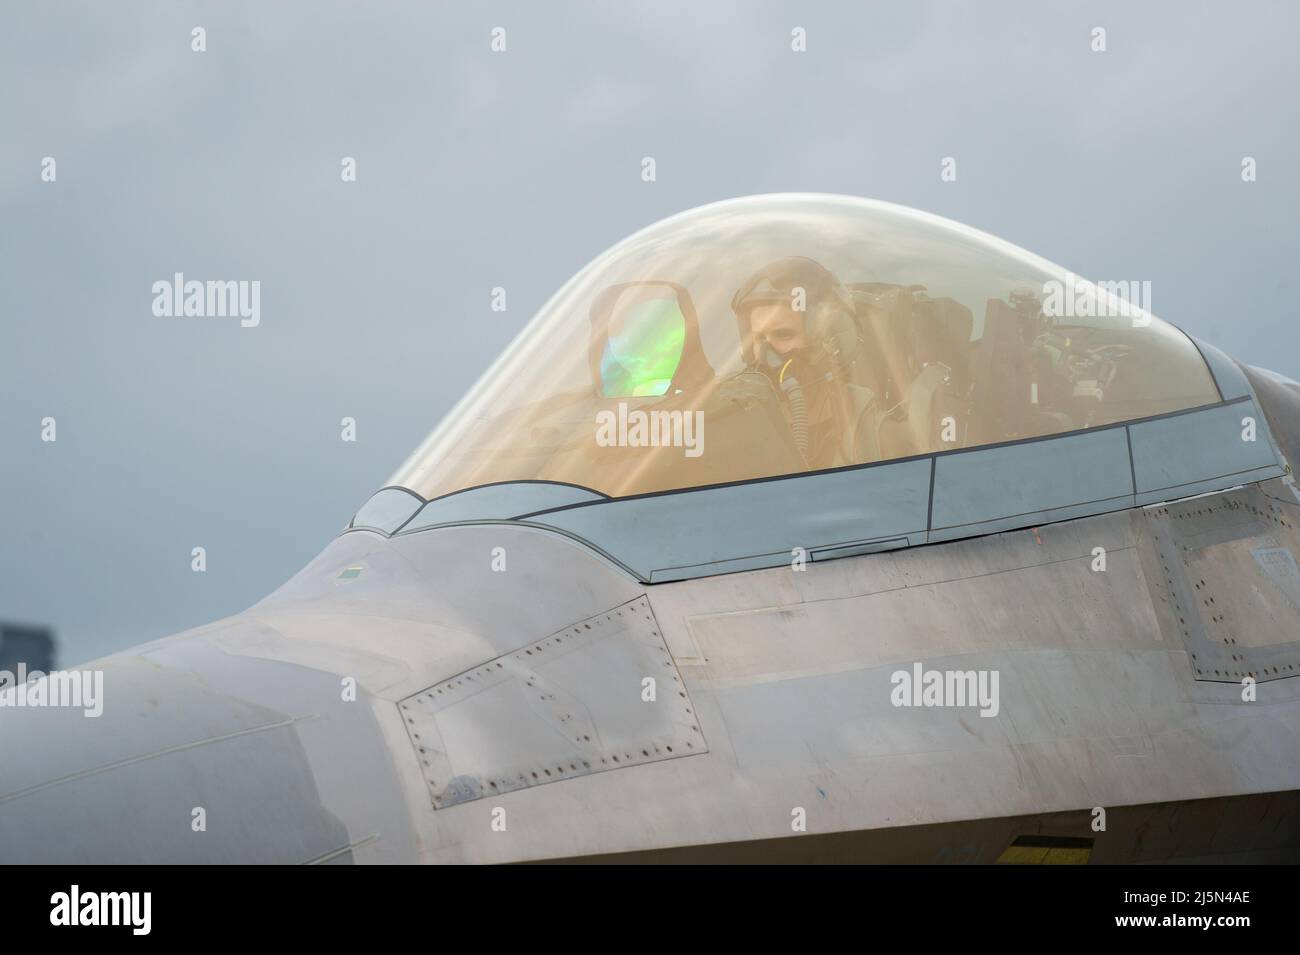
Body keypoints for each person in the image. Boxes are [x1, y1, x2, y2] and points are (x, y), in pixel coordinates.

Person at [730, 257, 880, 469]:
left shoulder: (872, 428)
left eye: (783, 335)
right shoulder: (742, 427)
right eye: (759, 339)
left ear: (826, 340)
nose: (766, 355)